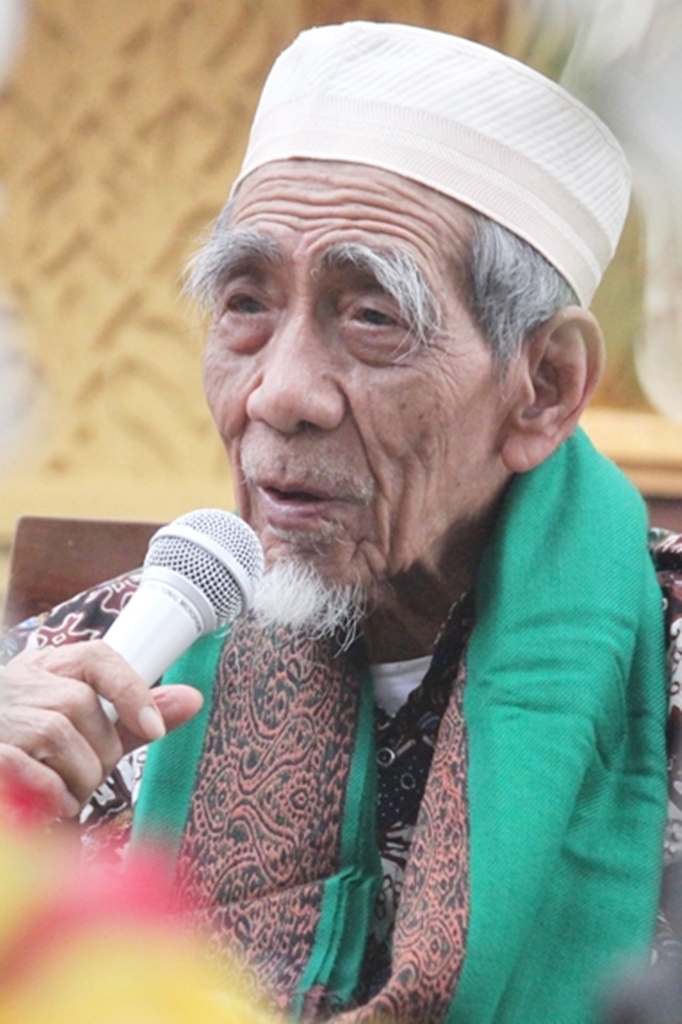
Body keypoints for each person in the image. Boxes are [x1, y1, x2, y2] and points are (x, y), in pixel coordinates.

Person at [0, 21, 672, 1024]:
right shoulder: (86, 670)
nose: (279, 393)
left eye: (370, 316)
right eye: (244, 302)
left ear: (544, 385)